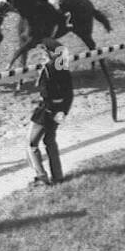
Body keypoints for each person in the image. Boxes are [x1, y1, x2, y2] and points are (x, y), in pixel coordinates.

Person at [27, 38, 73, 187]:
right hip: (60, 112)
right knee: (50, 141)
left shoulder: (47, 70)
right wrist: (63, 112)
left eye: (44, 52)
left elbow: (46, 94)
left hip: (46, 111)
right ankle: (57, 176)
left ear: (50, 53)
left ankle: (41, 176)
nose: (42, 54)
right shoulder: (64, 70)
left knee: (31, 144)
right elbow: (69, 94)